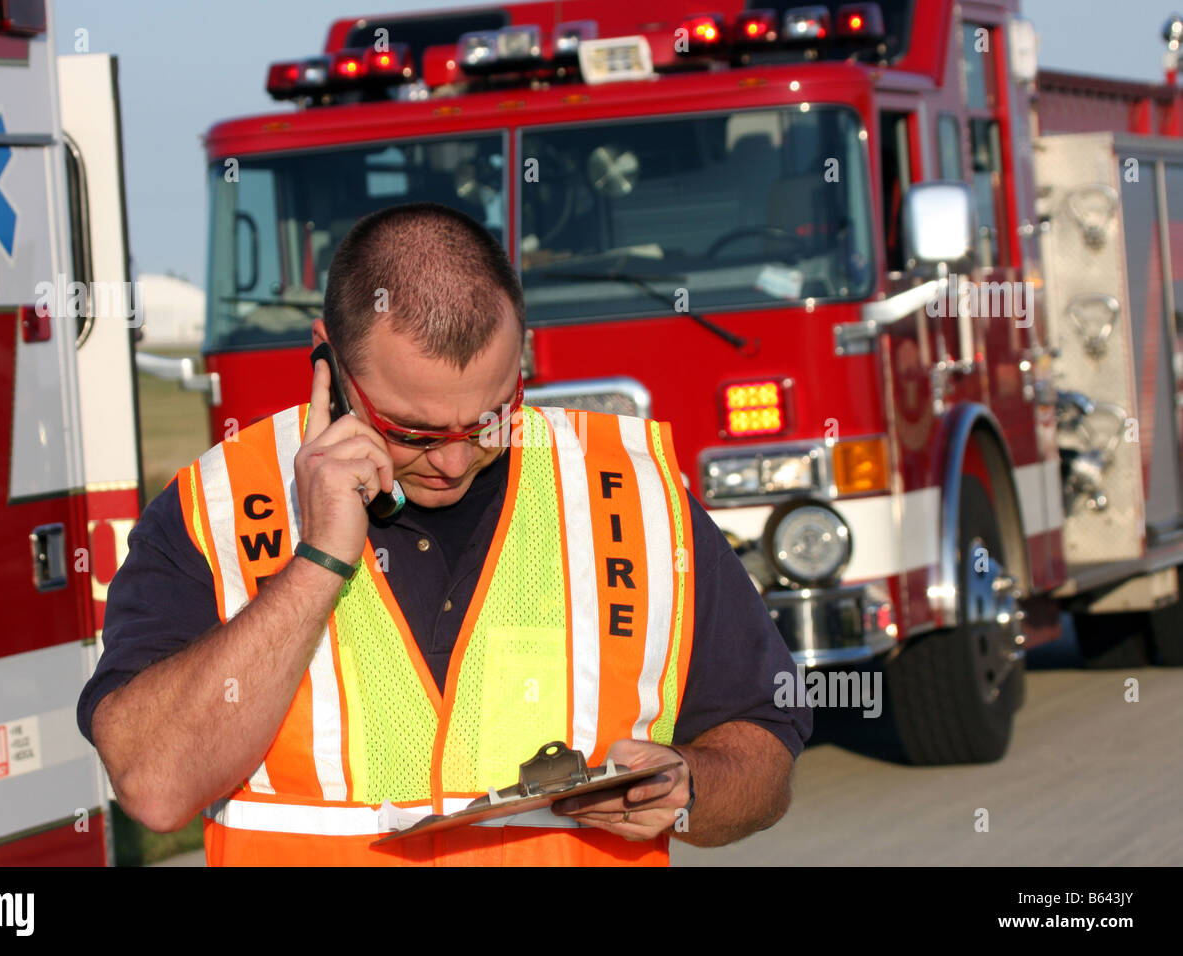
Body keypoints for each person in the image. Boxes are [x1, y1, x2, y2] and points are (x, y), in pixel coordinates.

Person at [79, 202, 811, 866]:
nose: (455, 461)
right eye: (414, 430)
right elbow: (154, 787)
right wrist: (316, 564)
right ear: (327, 359)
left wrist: (689, 787)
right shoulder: (215, 509)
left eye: (493, 414)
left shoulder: (635, 493)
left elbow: (762, 748)